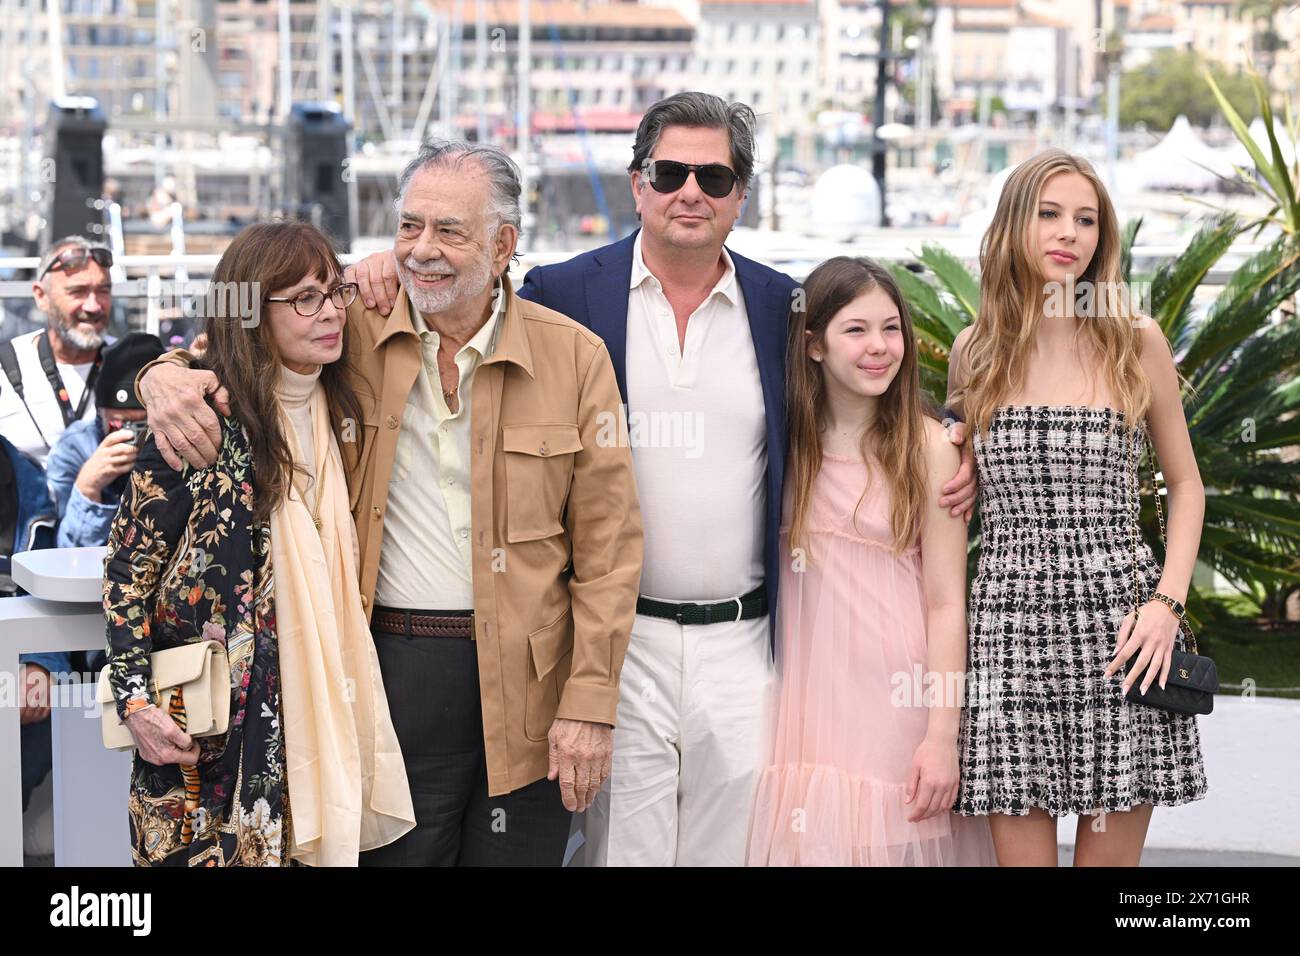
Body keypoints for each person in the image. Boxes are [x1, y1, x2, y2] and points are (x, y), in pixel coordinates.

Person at [347, 93, 979, 866]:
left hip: (745, 642)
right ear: (638, 183)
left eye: (714, 177)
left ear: (740, 195)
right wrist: (382, 265)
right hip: (619, 641)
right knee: (622, 853)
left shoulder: (780, 305)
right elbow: (458, 296)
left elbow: (856, 372)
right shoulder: (565, 293)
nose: (691, 191)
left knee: (732, 849)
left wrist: (948, 427)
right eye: (671, 171)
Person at [135, 143, 643, 866]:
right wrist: (160, 373)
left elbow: (609, 547)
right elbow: (242, 344)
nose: (421, 250)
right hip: (390, 673)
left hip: (534, 689)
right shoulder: (353, 329)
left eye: (448, 231)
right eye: (408, 228)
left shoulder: (575, 357)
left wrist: (589, 703)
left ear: (504, 246)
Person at [104, 220, 415, 866]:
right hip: (213, 753)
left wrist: (387, 257)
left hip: (315, 734)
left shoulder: (337, 409)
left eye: (334, 292)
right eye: (304, 298)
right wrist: (133, 702)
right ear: (250, 310)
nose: (331, 312)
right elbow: (125, 579)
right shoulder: (200, 423)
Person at [948, 149, 1208, 866]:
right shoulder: (975, 351)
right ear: (1013, 227)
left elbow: (1186, 485)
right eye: (1050, 214)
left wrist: (1167, 605)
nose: (1070, 233)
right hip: (1007, 628)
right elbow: (951, 471)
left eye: (1087, 219)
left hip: (1124, 630)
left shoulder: (1134, 339)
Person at [747, 257, 996, 866]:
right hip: (795, 705)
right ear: (813, 345)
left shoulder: (931, 448)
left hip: (895, 702)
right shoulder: (782, 443)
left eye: (891, 329)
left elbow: (945, 604)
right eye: (856, 330)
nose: (880, 348)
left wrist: (943, 735)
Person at [0, 237, 114, 464]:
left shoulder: (132, 362)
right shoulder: (5, 366)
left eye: (103, 290)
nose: (93, 306)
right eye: (78, 291)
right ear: (41, 296)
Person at [46, 332, 164, 549]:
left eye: (144, 424)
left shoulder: (181, 442)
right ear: (100, 413)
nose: (134, 436)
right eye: (120, 424)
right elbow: (62, 553)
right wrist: (88, 489)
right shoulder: (76, 448)